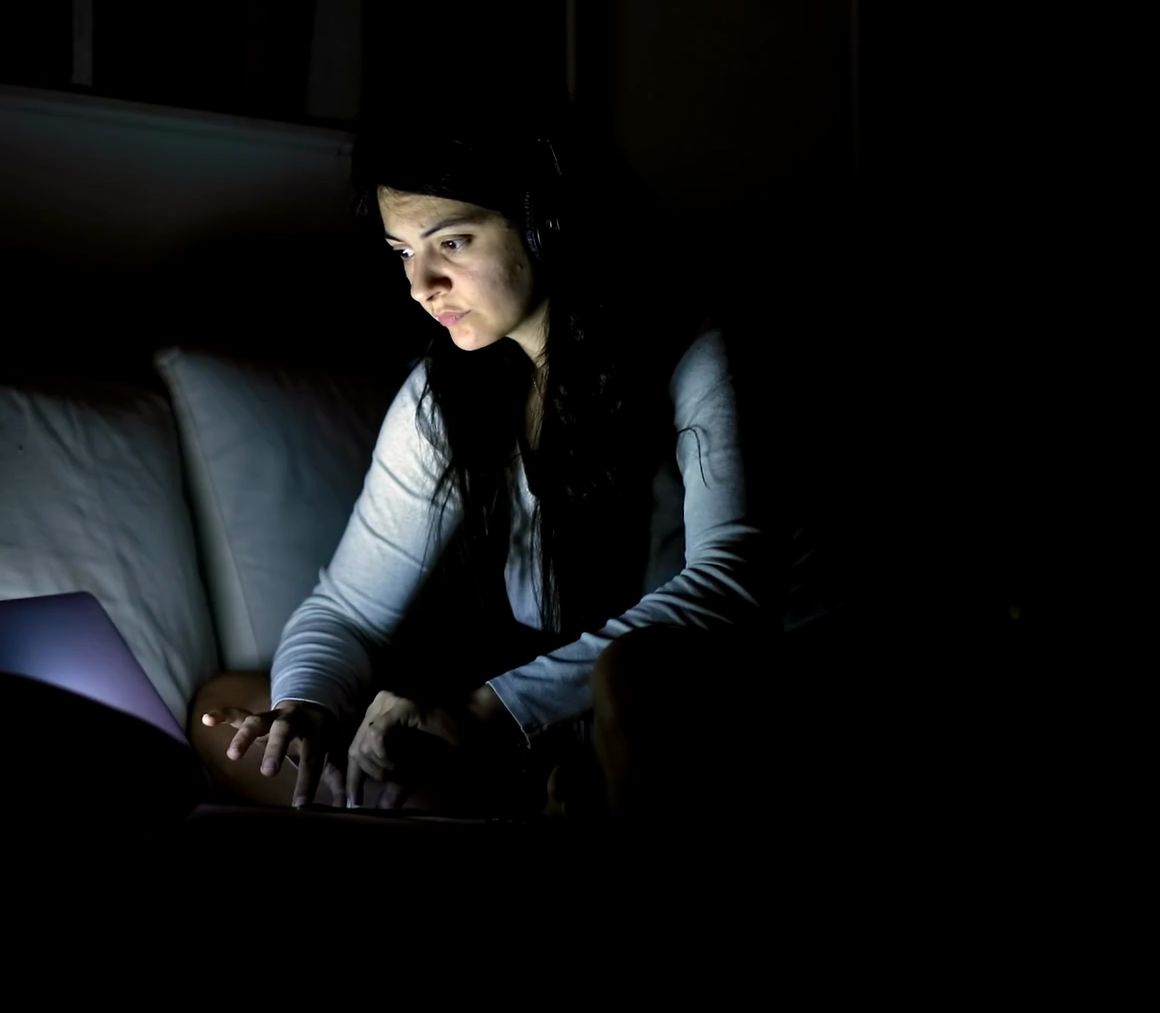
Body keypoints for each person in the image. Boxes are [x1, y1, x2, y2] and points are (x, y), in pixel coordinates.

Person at [189, 101, 783, 820]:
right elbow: (348, 608)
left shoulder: (696, 352)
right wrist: (304, 705)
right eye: (402, 250)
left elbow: (731, 584)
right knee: (229, 709)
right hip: (547, 739)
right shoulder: (446, 392)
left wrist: (488, 706)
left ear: (546, 224)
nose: (420, 284)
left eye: (454, 242)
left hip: (719, 712)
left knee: (633, 676)